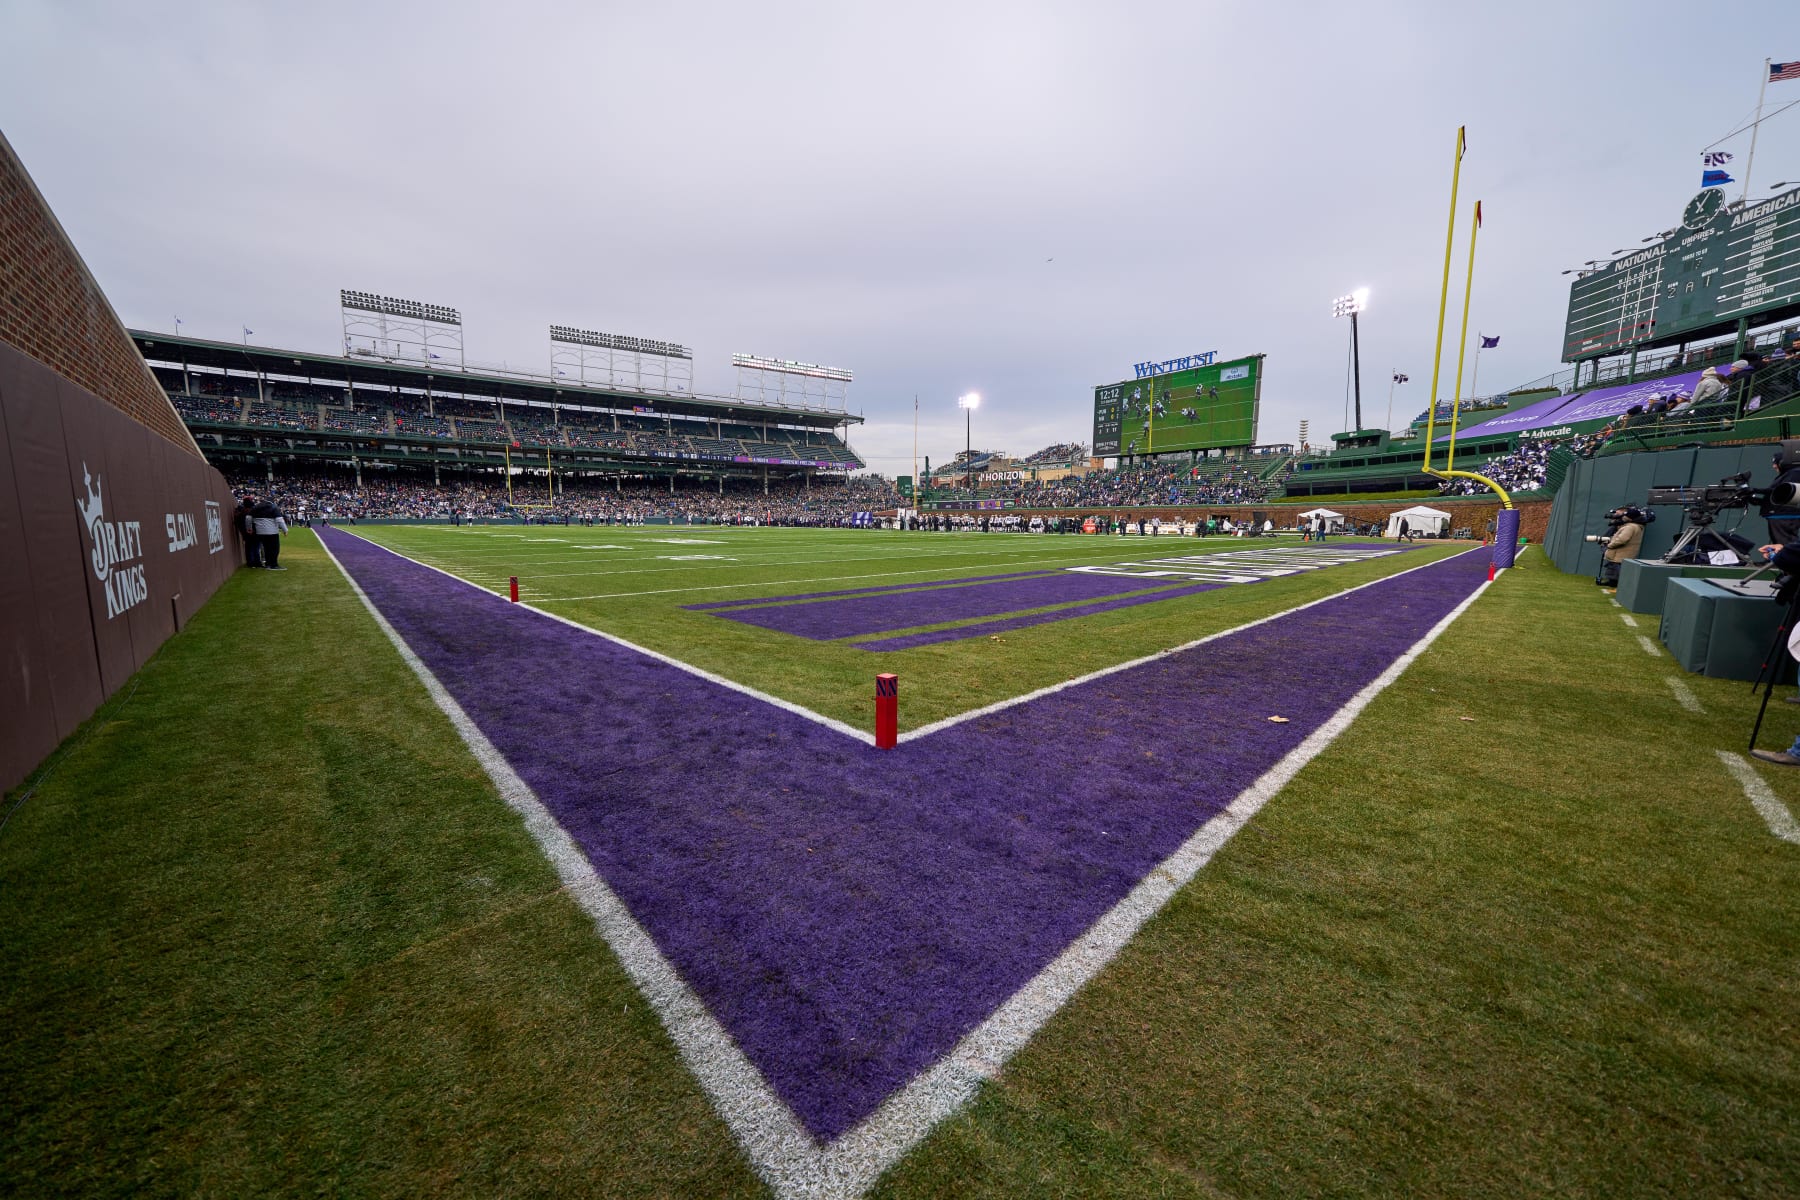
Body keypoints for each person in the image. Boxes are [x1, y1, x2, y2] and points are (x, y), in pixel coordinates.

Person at [1596, 506, 1645, 588]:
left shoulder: (1630, 527)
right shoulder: (1636, 526)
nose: (1623, 517)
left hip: (1620, 553)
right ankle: (1612, 582)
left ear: (1629, 517)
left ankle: (1616, 584)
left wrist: (1609, 545)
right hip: (1624, 553)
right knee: (1614, 569)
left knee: (1617, 570)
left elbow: (1622, 540)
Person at [251, 496, 289, 570]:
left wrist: (249, 527)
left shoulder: (256, 507)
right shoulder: (273, 507)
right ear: (272, 501)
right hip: (272, 532)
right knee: (275, 549)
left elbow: (248, 518)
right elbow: (279, 519)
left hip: (260, 532)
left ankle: (268, 564)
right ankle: (274, 565)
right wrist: (285, 530)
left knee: (266, 548)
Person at [235, 493, 261, 568]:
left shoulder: (242, 512)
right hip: (254, 531)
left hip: (247, 532)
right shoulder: (252, 510)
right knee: (255, 548)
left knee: (249, 547)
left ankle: (251, 562)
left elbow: (238, 522)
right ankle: (257, 562)